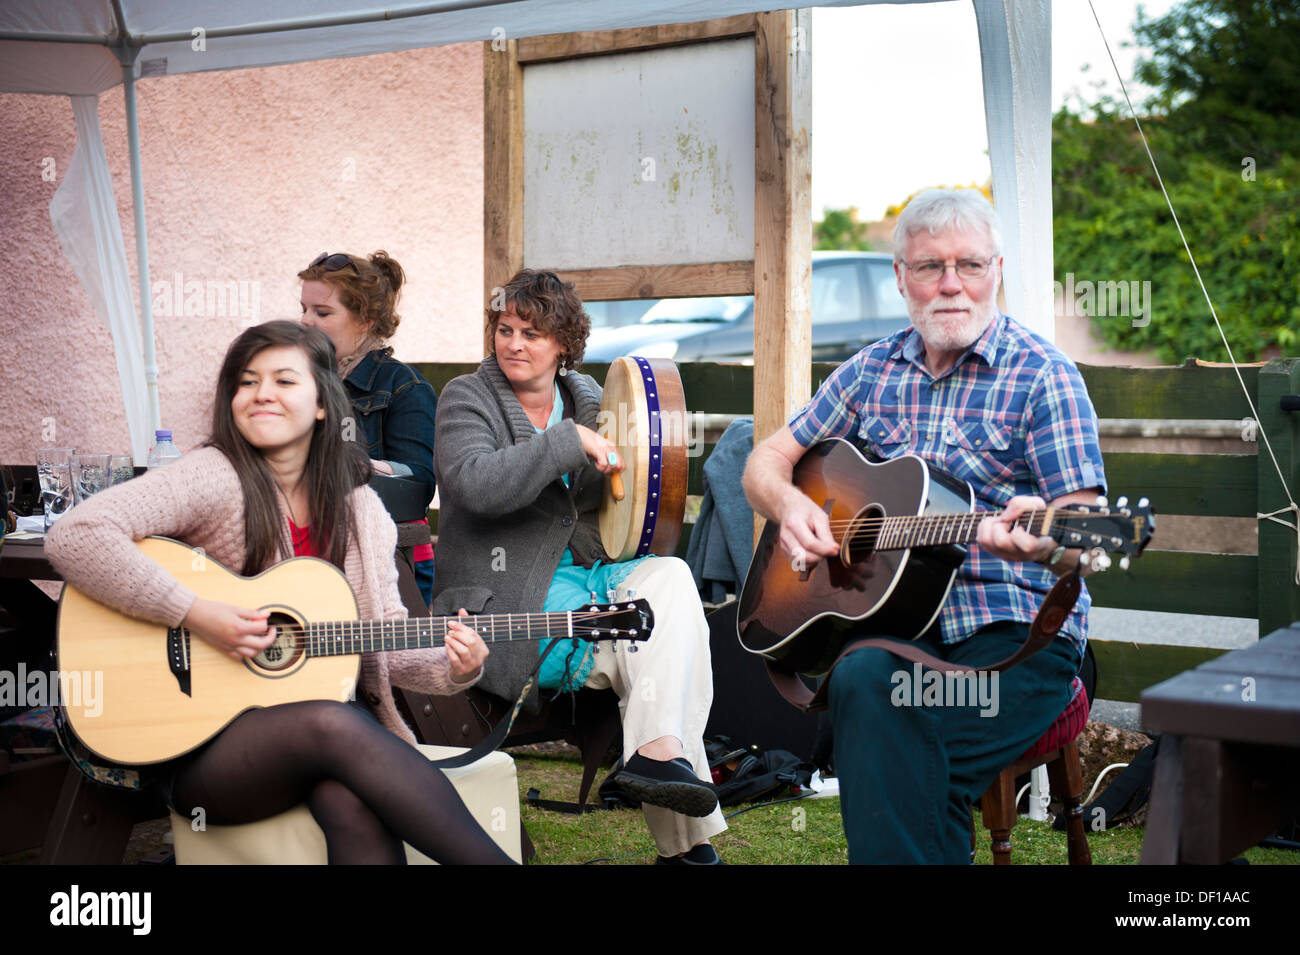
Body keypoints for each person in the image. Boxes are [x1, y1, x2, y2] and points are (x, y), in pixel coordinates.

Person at [46, 321, 514, 865]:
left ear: (322, 403)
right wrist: (196, 613)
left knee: (349, 794)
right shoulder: (214, 476)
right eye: (247, 382)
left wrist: (455, 668)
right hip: (195, 747)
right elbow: (75, 535)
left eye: (283, 380)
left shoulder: (364, 511)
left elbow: (385, 636)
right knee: (333, 721)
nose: (262, 393)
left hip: (314, 744)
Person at [742, 189, 1107, 864]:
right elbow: (765, 460)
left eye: (969, 265)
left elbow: (1081, 527)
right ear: (900, 277)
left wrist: (1045, 540)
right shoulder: (869, 372)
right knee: (862, 684)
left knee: (898, 745)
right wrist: (791, 507)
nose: (951, 285)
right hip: (900, 631)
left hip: (1016, 638)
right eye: (930, 266)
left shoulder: (1043, 378)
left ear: (997, 269)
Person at [431, 270, 727, 865]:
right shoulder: (467, 397)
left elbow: (617, 506)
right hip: (505, 605)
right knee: (649, 649)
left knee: (668, 581)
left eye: (532, 333)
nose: (514, 343)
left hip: (587, 585)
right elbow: (474, 486)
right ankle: (687, 851)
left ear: (563, 342)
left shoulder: (594, 398)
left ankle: (656, 754)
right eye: (505, 329)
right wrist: (567, 442)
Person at [299, 251, 438, 605]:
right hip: (305, 550)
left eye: (323, 313)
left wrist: (356, 466)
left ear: (366, 320)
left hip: (384, 557)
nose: (306, 322)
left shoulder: (403, 386)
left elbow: (418, 483)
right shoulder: (295, 380)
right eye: (304, 309)